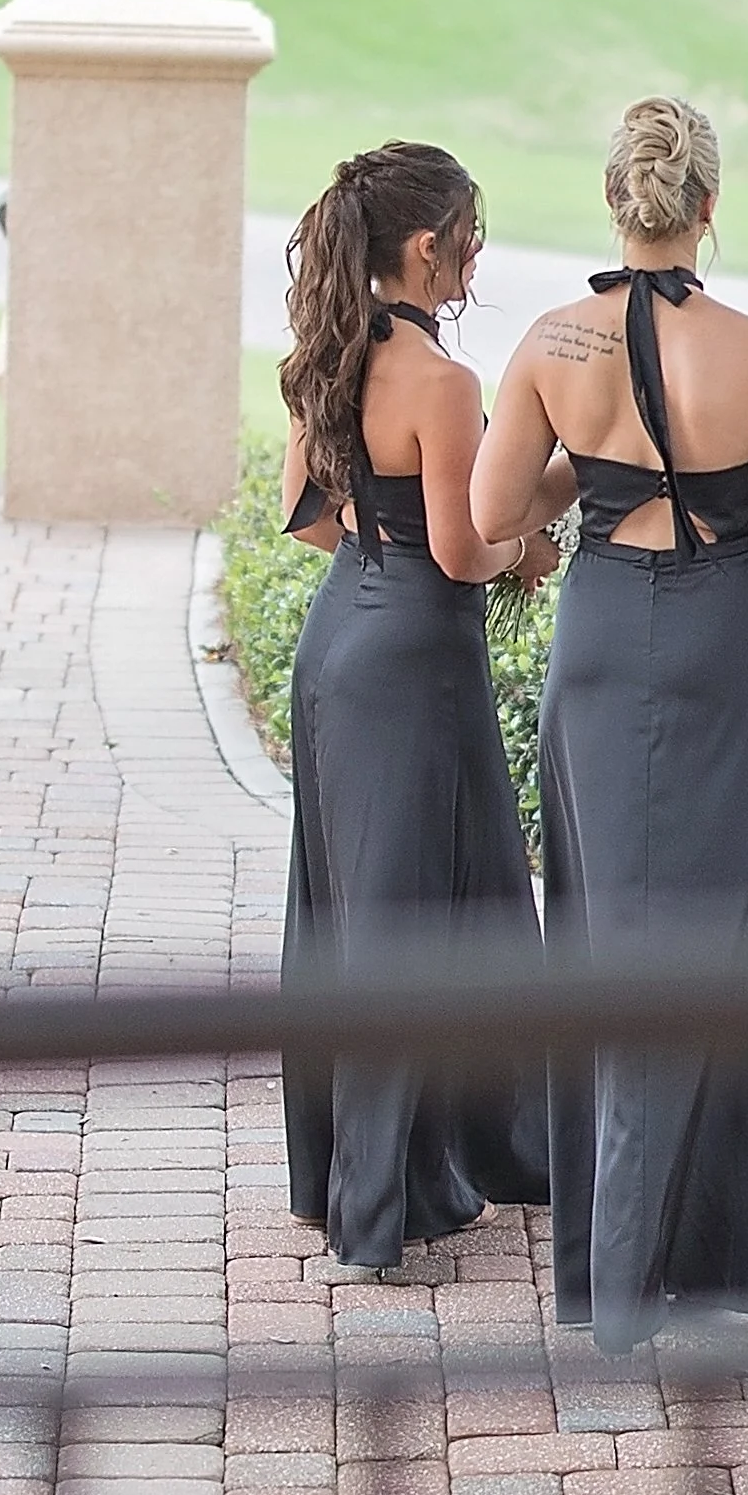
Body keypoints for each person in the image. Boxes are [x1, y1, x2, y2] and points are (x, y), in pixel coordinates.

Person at [472, 95, 748, 1350]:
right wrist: (747, 522)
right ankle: (699, 1249)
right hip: (727, 642)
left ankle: (610, 1260)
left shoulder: (552, 339)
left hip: (598, 640)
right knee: (729, 935)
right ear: (707, 208)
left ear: (611, 200)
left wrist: (595, 474)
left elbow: (491, 519)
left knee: (608, 936)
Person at [278, 143, 561, 1273]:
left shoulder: (322, 357)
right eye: (469, 234)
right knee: (416, 914)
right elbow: (462, 547)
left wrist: (383, 548)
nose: (477, 255)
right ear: (424, 246)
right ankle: (386, 1197)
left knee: (367, 904)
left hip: (341, 639)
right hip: (411, 665)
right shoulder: (441, 384)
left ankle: (382, 1163)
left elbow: (307, 517)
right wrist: (535, 545)